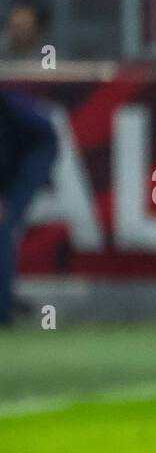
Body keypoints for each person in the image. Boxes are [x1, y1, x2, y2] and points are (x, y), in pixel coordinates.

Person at [0, 89, 57, 327]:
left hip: (30, 154)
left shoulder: (14, 112)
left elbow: (43, 137)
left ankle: (2, 311)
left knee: (2, 224)